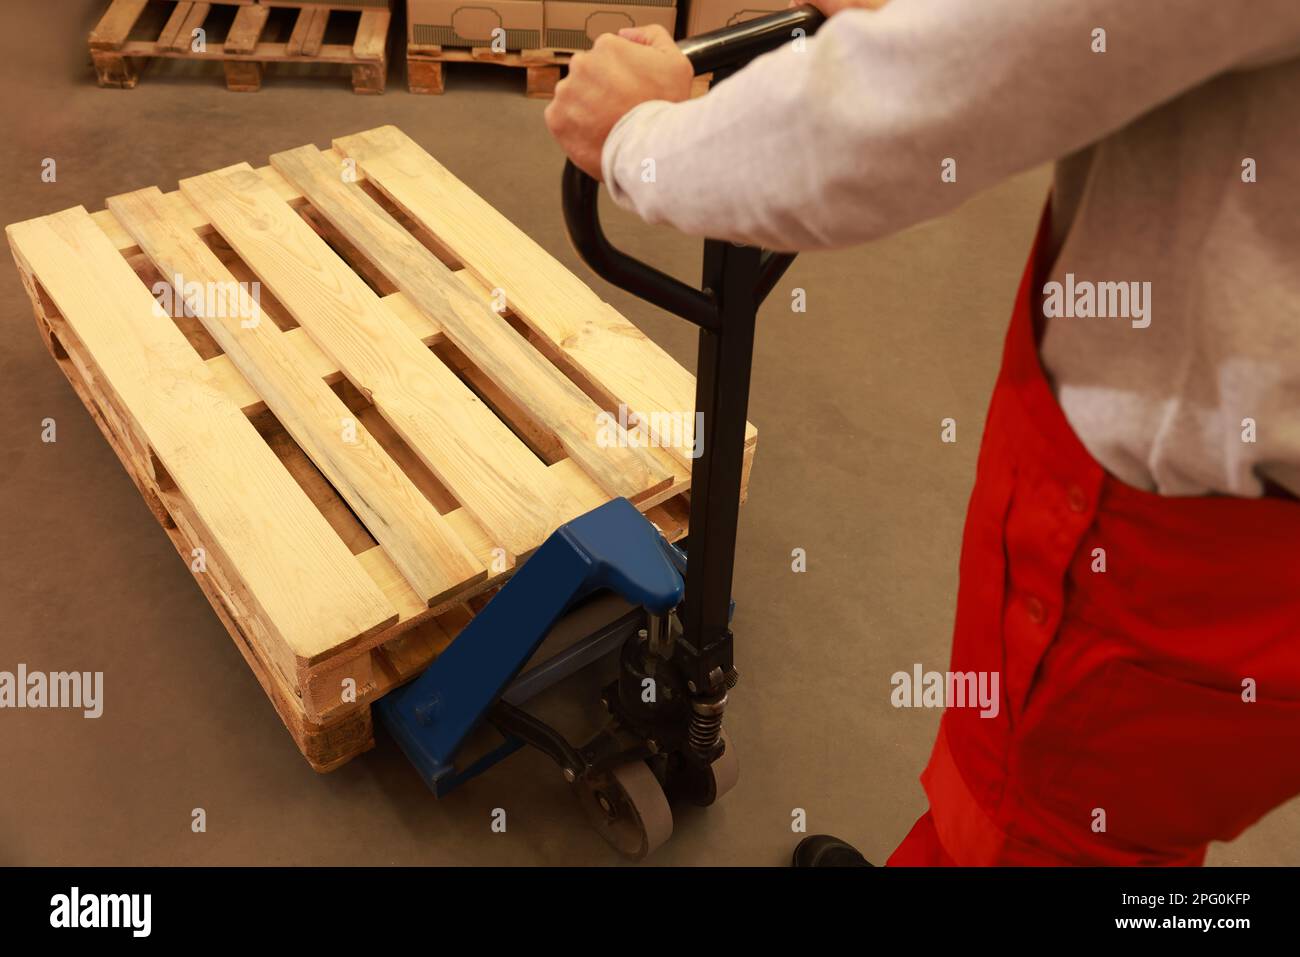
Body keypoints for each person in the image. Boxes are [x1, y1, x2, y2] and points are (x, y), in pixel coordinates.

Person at [545, 0, 1300, 866]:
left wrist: (637, 135)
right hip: (1253, 529)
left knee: (1037, 828)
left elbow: (931, 101)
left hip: (1172, 547)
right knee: (1088, 827)